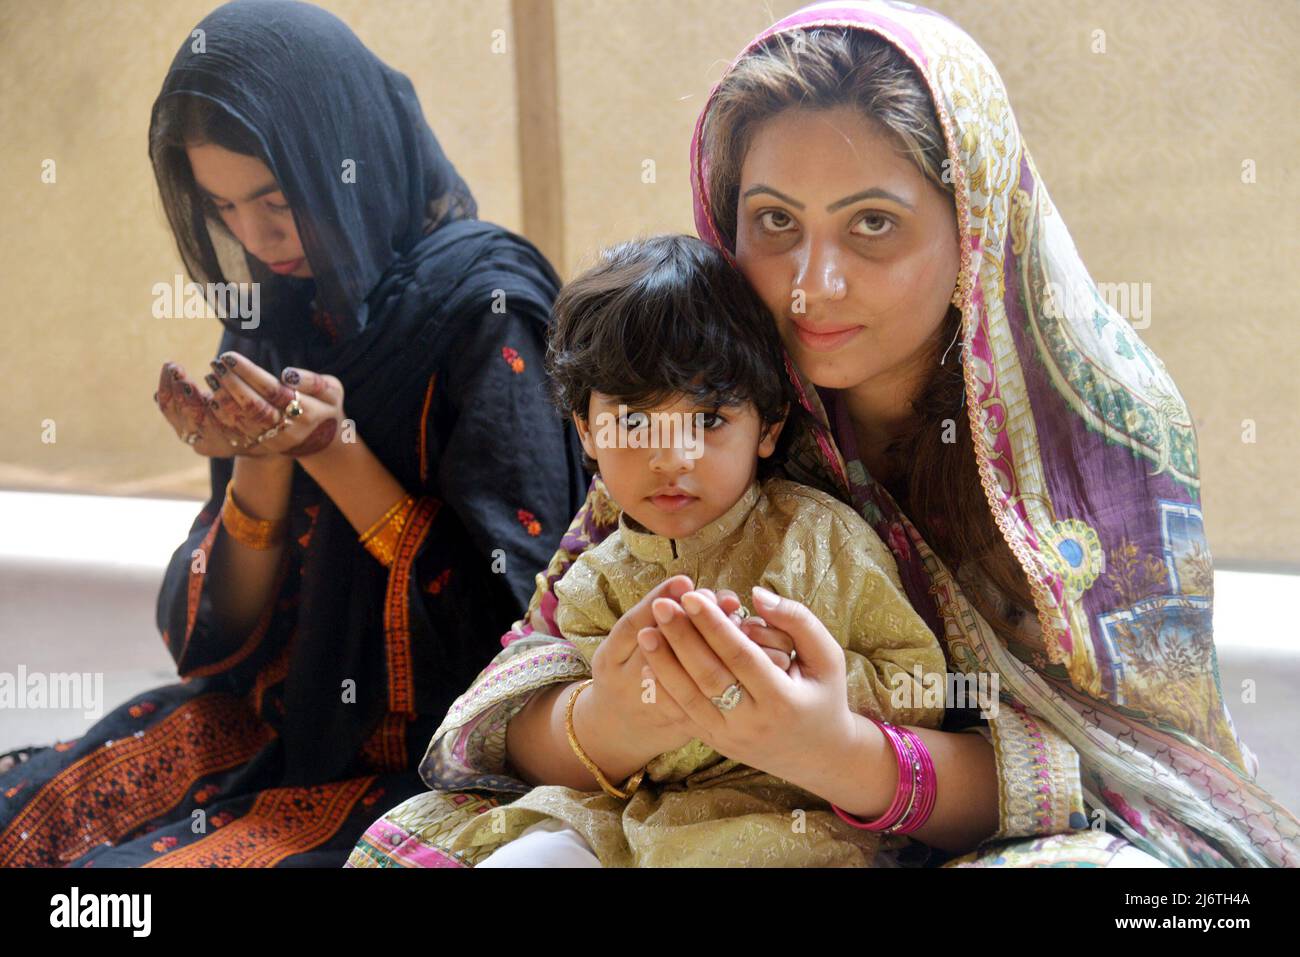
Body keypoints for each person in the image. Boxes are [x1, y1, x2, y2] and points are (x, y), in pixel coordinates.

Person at [348, 0, 1299, 868]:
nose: (813, 284)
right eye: (774, 221)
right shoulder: (718, 395)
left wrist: (839, 749)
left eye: (873, 223)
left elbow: (1122, 781)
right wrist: (613, 718)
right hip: (689, 825)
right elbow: (516, 706)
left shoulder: (1099, 429)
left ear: (974, 226)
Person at [0, 0, 586, 867]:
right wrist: (260, 460)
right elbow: (221, 638)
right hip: (271, 720)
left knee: (103, 896)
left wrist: (333, 451)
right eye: (222, 206)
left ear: (349, 162)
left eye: (278, 199)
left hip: (427, 761)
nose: (255, 235)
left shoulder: (486, 312)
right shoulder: (278, 311)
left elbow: (517, 632)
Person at [465, 234, 947, 866]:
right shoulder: (592, 583)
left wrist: (799, 681)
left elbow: (921, 688)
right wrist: (626, 714)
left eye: (709, 420)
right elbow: (571, 744)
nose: (671, 458)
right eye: (633, 421)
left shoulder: (818, 539)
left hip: (792, 822)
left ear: (768, 427)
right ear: (586, 430)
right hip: (631, 823)